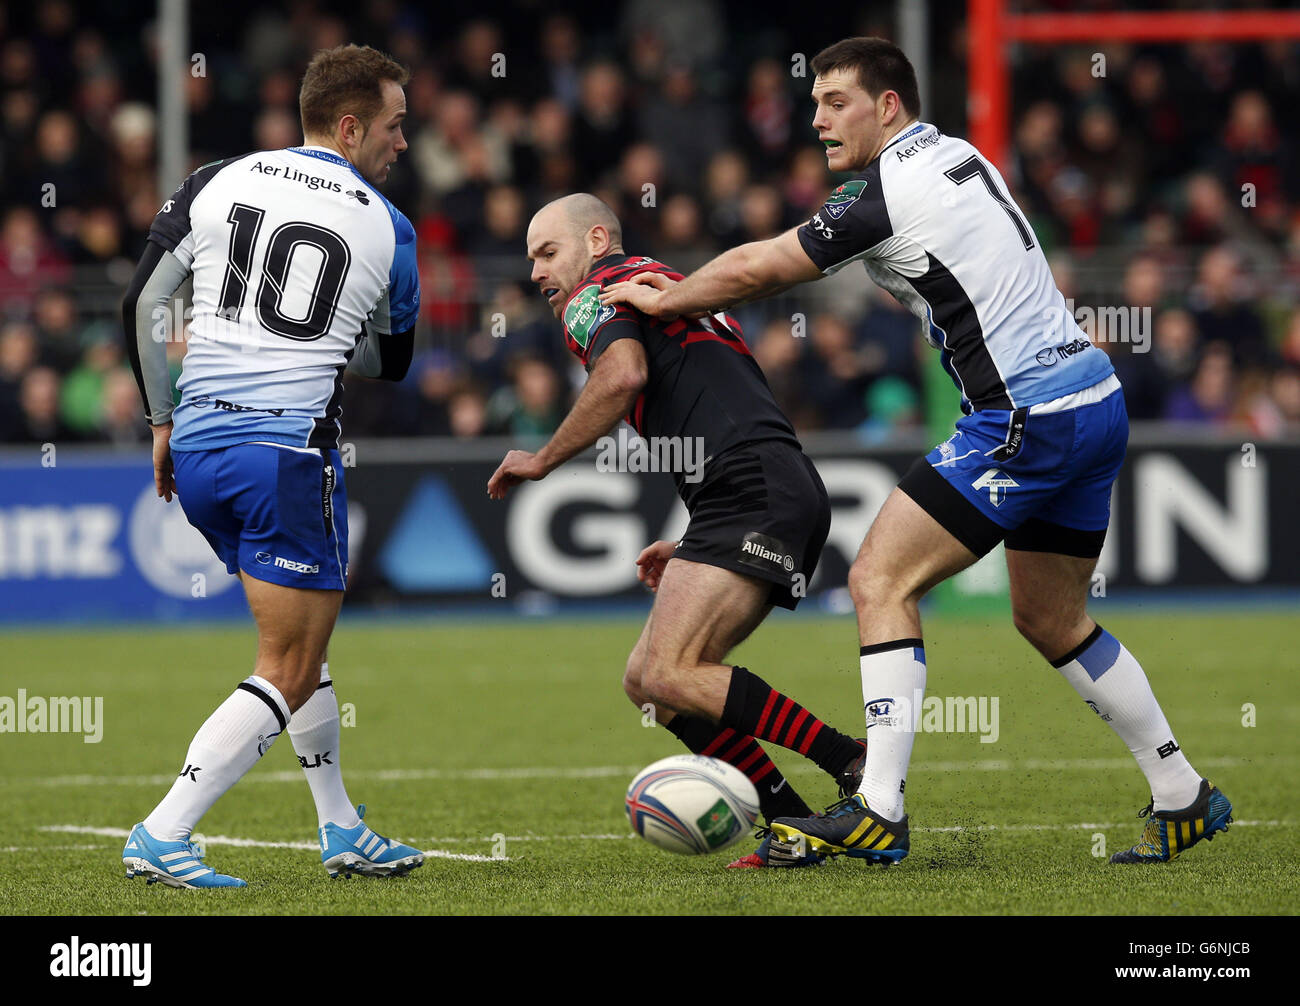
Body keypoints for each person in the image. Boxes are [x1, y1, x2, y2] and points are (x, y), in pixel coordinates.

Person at [602, 37, 1231, 867]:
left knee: (878, 579)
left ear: (888, 106)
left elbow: (763, 265)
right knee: (1052, 618)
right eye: (815, 101)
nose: (818, 118)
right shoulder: (958, 154)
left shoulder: (884, 189)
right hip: (1092, 398)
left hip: (1024, 417)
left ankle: (877, 806)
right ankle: (1182, 791)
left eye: (836, 102)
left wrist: (669, 295)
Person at [119, 44, 424, 888]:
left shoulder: (219, 177)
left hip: (198, 451)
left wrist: (158, 420)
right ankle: (163, 830)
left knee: (307, 650)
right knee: (286, 664)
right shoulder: (388, 227)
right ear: (352, 125)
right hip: (284, 456)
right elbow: (388, 364)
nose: (403, 144)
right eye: (395, 127)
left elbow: (145, 302)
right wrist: (329, 329)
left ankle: (341, 828)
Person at [487, 193, 865, 868]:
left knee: (667, 672)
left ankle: (851, 761)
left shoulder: (595, 294)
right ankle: (793, 826)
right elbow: (711, 396)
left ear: (596, 240)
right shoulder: (666, 285)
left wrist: (543, 458)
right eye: (531, 259)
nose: (539, 272)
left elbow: (623, 374)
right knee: (648, 683)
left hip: (751, 490)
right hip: (761, 487)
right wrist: (694, 537)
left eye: (548, 252)